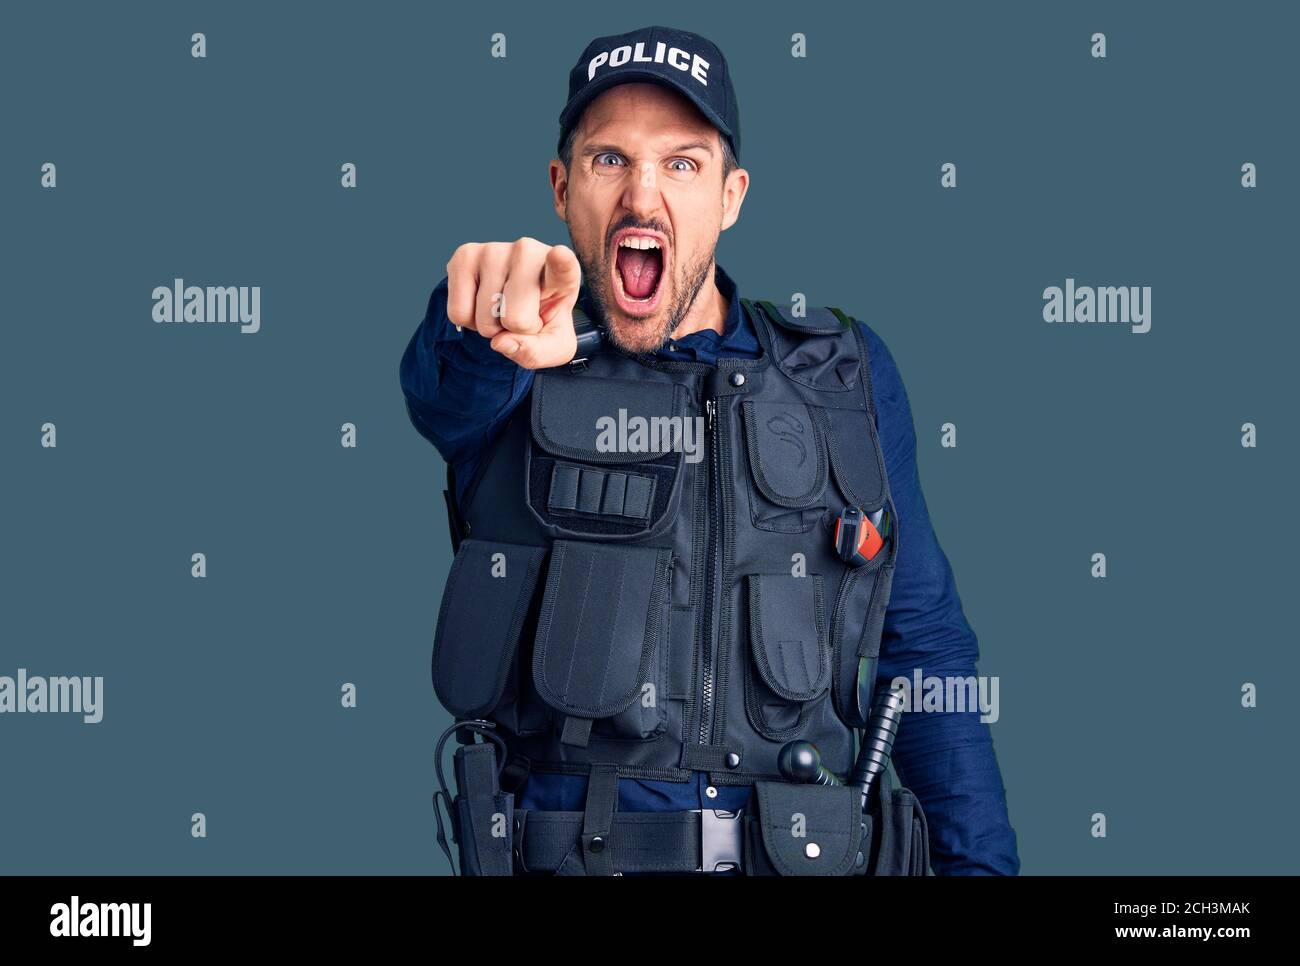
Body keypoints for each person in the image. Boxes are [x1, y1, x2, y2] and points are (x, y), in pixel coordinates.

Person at [400, 24, 1019, 876]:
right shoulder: (516, 365)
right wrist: (477, 310)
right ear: (561, 187)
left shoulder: (846, 377)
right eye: (609, 160)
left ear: (731, 196)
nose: (641, 198)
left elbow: (925, 651)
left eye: (681, 164)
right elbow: (446, 381)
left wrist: (981, 872)